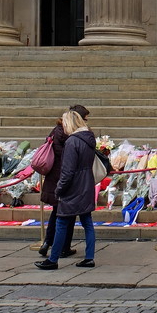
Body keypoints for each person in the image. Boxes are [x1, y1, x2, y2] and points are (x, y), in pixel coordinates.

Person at [35, 109, 96, 270]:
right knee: (87, 222)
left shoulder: (72, 142)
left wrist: (59, 189)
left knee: (61, 222)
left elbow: (67, 171)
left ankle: (53, 259)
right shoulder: (89, 138)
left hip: (73, 187)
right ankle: (89, 257)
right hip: (86, 184)